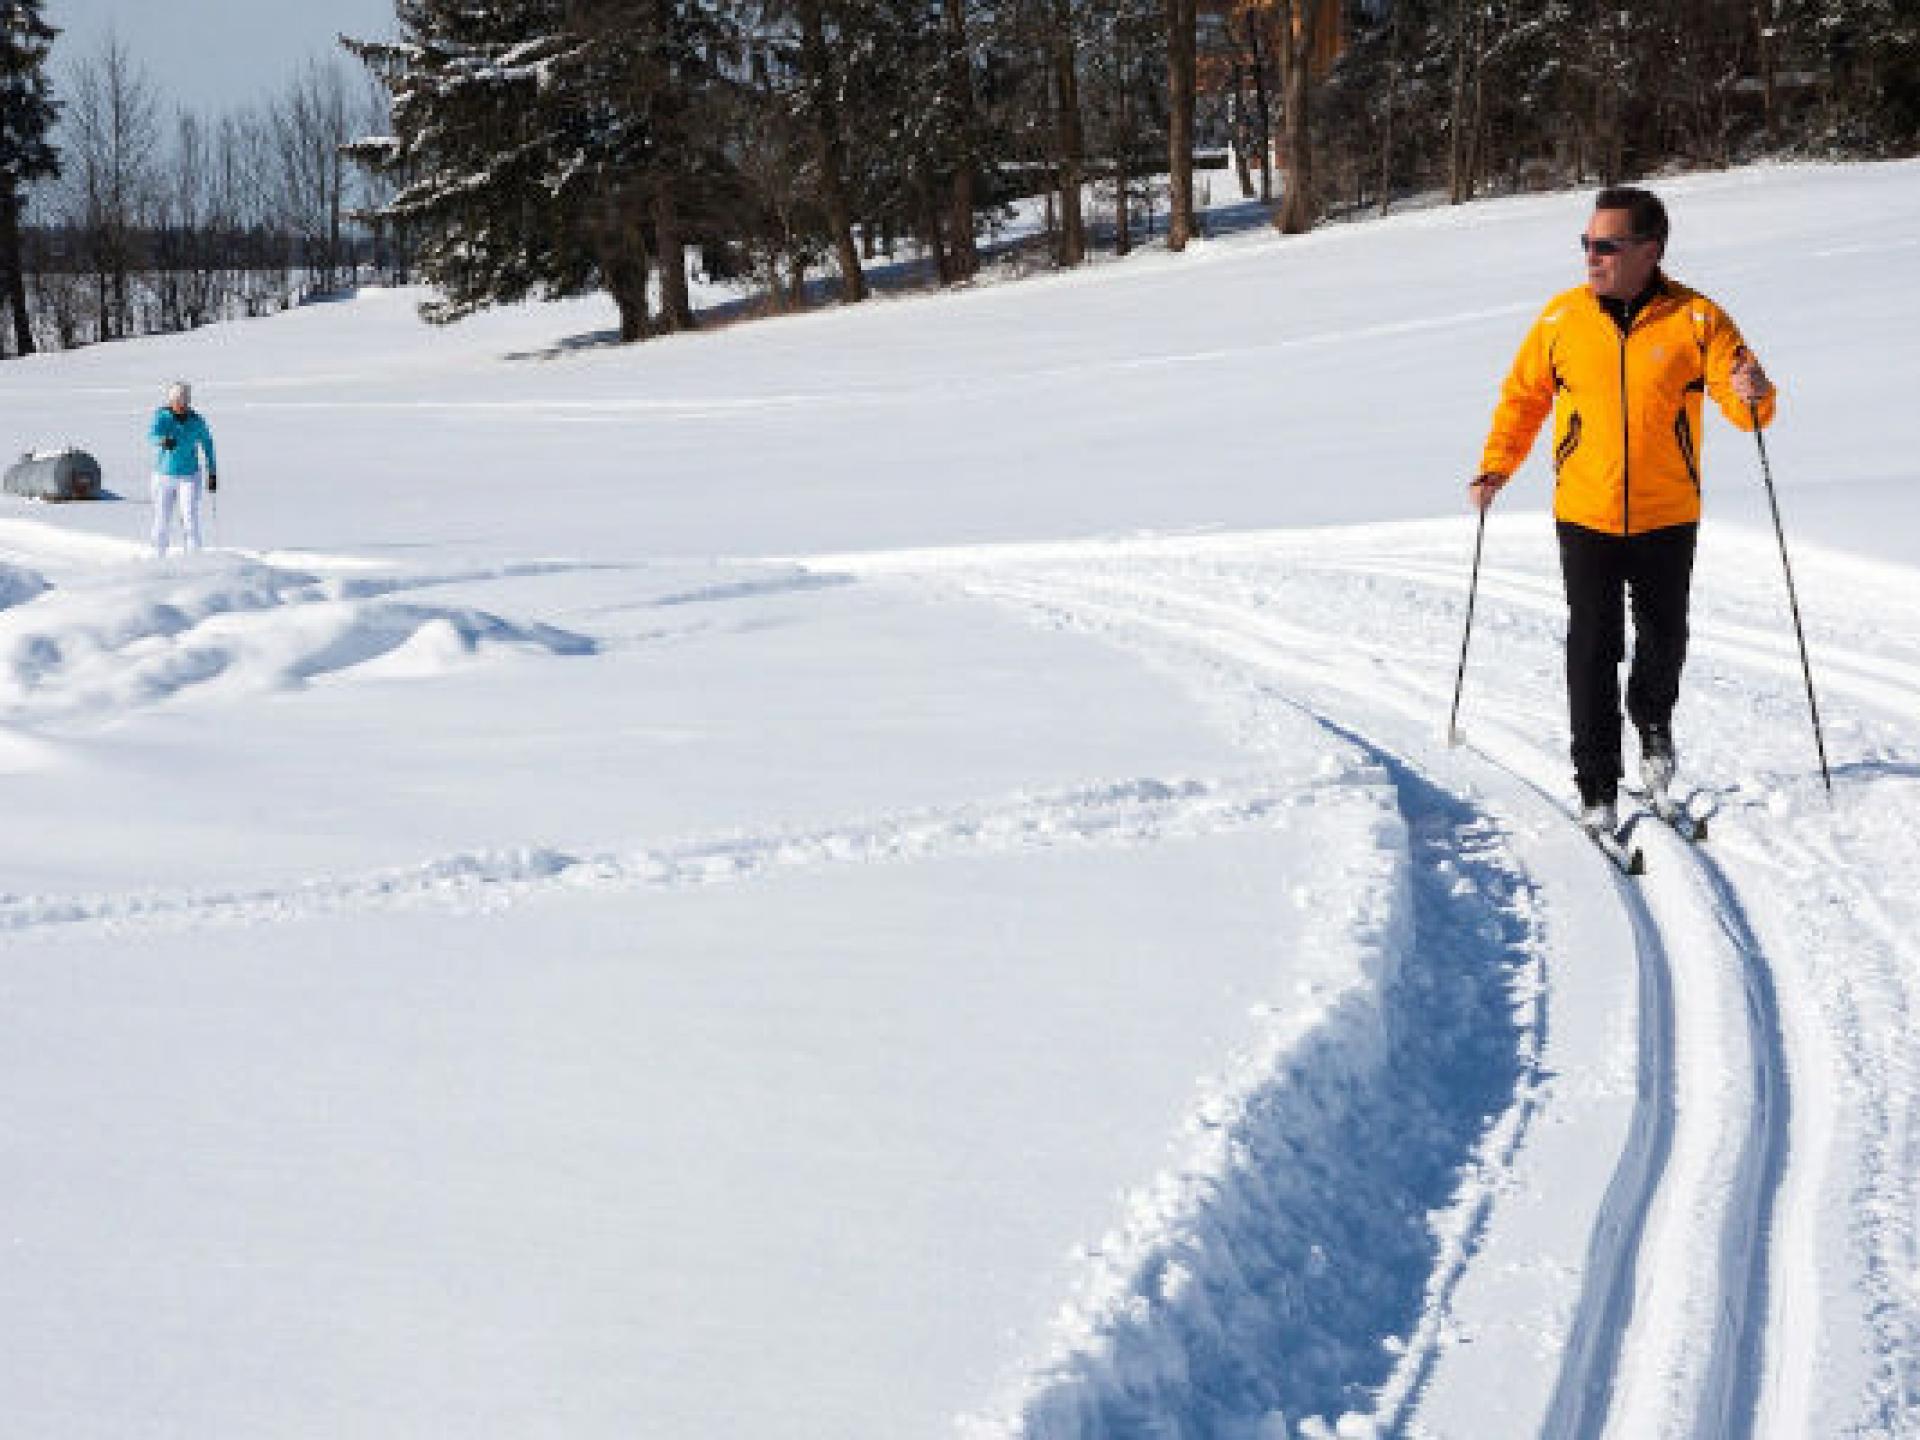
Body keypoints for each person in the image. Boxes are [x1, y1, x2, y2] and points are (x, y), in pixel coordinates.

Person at [1470, 186, 1776, 833]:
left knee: (1665, 639)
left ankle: (1653, 720)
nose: (1592, 256)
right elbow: (1523, 399)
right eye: (1587, 243)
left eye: (1606, 245)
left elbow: (1744, 401)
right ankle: (1596, 783)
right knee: (1592, 645)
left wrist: (1754, 391)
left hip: (1669, 513)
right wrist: (1497, 466)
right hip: (1587, 512)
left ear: (1649, 250)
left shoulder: (1697, 319)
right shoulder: (1561, 319)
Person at [149, 380, 218, 557]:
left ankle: (194, 559)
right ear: (171, 401)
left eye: (184, 401)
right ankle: (158, 557)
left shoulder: (196, 421)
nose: (181, 405)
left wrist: (212, 472)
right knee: (161, 519)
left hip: (189, 476)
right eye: (177, 401)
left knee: (190, 518)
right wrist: (163, 440)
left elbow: (208, 444)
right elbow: (152, 435)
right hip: (163, 476)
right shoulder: (162, 417)